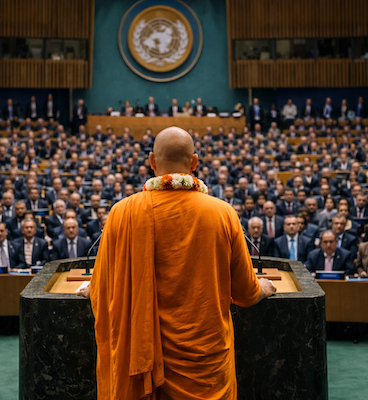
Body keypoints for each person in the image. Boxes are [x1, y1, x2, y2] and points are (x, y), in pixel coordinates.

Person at [79, 127, 275, 399]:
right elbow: (245, 292)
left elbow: (103, 283)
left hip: (144, 361)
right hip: (206, 364)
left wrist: (95, 290)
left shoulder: (122, 213)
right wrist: (263, 287)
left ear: (152, 161)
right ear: (194, 162)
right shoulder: (223, 213)